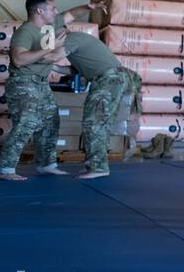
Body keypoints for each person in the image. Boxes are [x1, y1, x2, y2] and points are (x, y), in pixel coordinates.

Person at [0, 0, 73, 180]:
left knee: (51, 121)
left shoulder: (46, 29)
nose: (55, 11)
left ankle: (46, 164)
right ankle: (5, 168)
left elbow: (70, 15)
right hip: (23, 83)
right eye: (52, 8)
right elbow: (18, 59)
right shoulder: (26, 32)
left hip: (41, 84)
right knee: (27, 123)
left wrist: (90, 7)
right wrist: (51, 47)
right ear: (39, 11)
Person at [61, 18, 143, 179]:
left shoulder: (71, 39)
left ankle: (98, 167)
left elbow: (50, 56)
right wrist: (50, 66)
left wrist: (34, 58)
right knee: (99, 123)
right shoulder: (75, 46)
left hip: (109, 79)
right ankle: (96, 164)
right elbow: (73, 71)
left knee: (95, 122)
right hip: (110, 79)